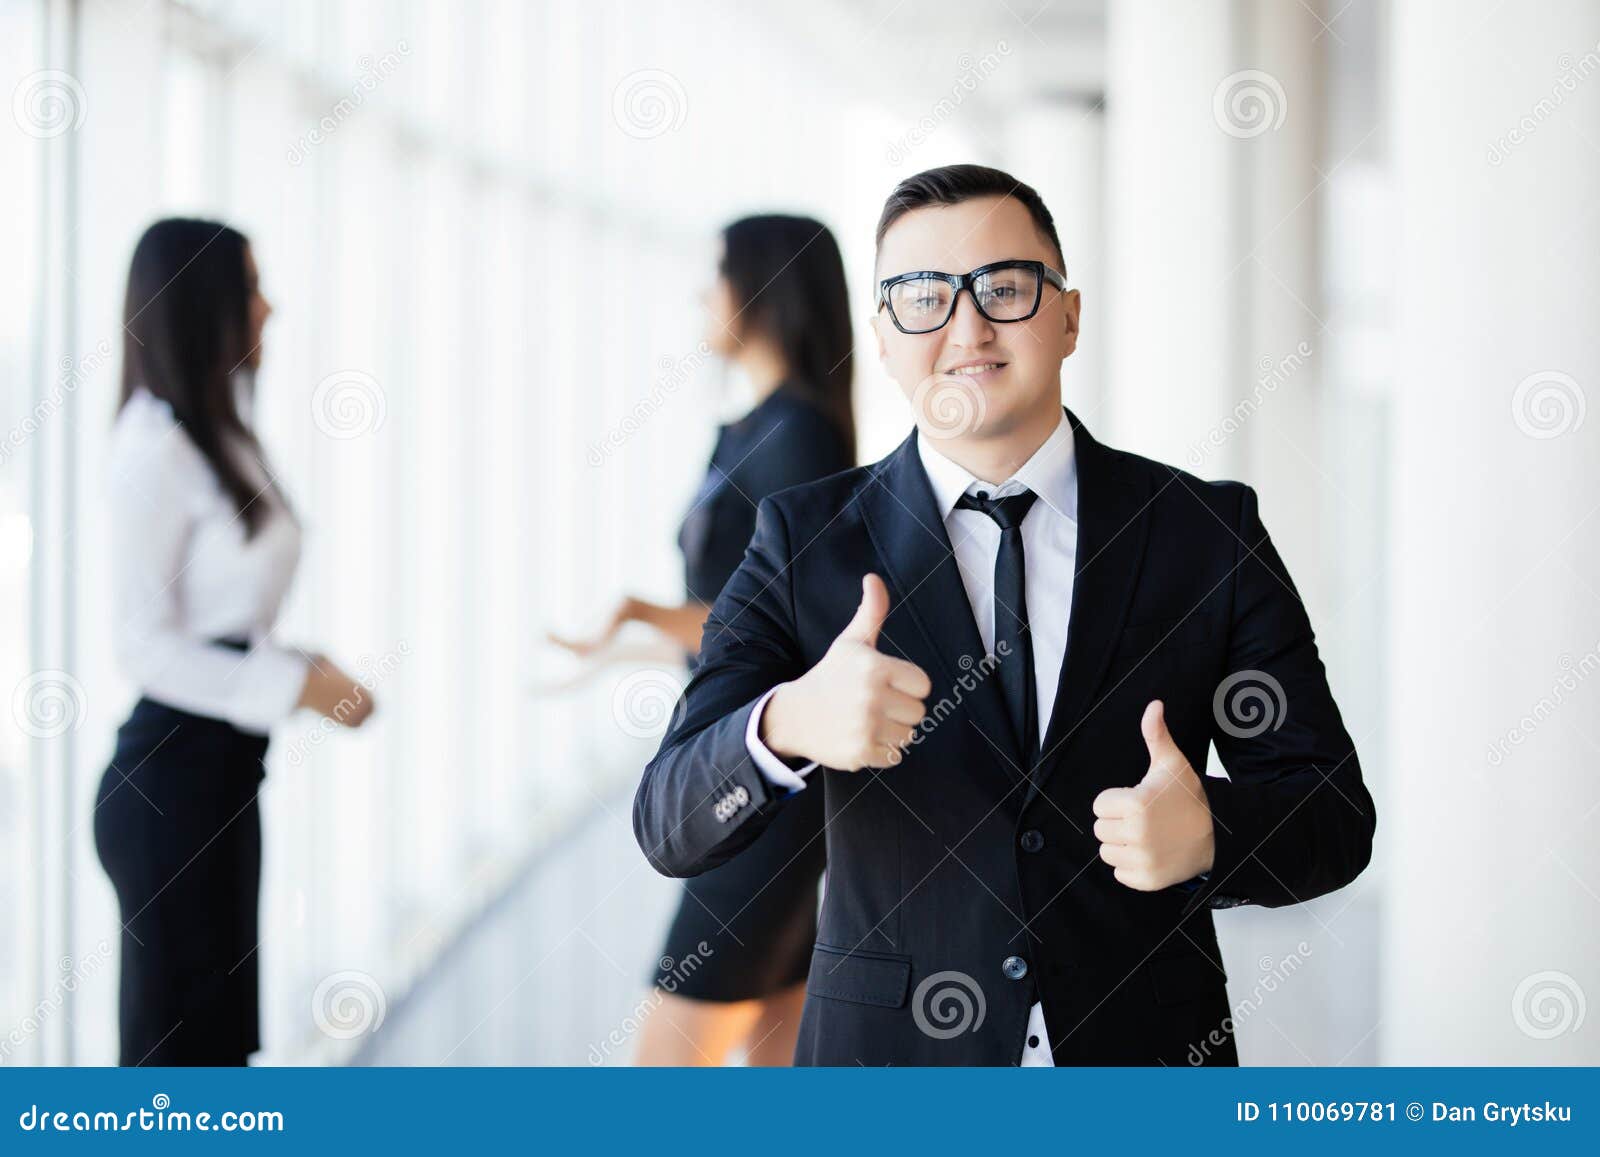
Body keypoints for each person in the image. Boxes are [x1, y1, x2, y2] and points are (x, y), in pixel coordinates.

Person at [633, 165, 1377, 1066]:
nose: (967, 326)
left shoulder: (1203, 532)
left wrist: (1213, 831)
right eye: (922, 296)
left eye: (1006, 287)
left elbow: (1334, 813)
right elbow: (669, 819)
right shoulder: (803, 539)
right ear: (882, 334)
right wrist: (787, 720)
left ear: (1068, 315)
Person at [551, 216, 855, 1065]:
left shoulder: (798, 434)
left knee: (666, 1067)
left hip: (760, 787)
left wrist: (649, 614)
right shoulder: (760, 425)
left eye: (716, 274)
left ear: (762, 287)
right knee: (771, 1048)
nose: (702, 295)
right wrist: (639, 642)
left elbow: (795, 628)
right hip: (744, 764)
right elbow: (739, 628)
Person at [94, 218, 375, 1066]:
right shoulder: (152, 450)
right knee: (172, 1062)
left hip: (221, 781)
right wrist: (295, 685)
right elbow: (143, 646)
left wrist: (302, 671)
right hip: (167, 790)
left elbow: (228, 619)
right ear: (203, 306)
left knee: (219, 1049)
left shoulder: (218, 433)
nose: (269, 307)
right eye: (251, 288)